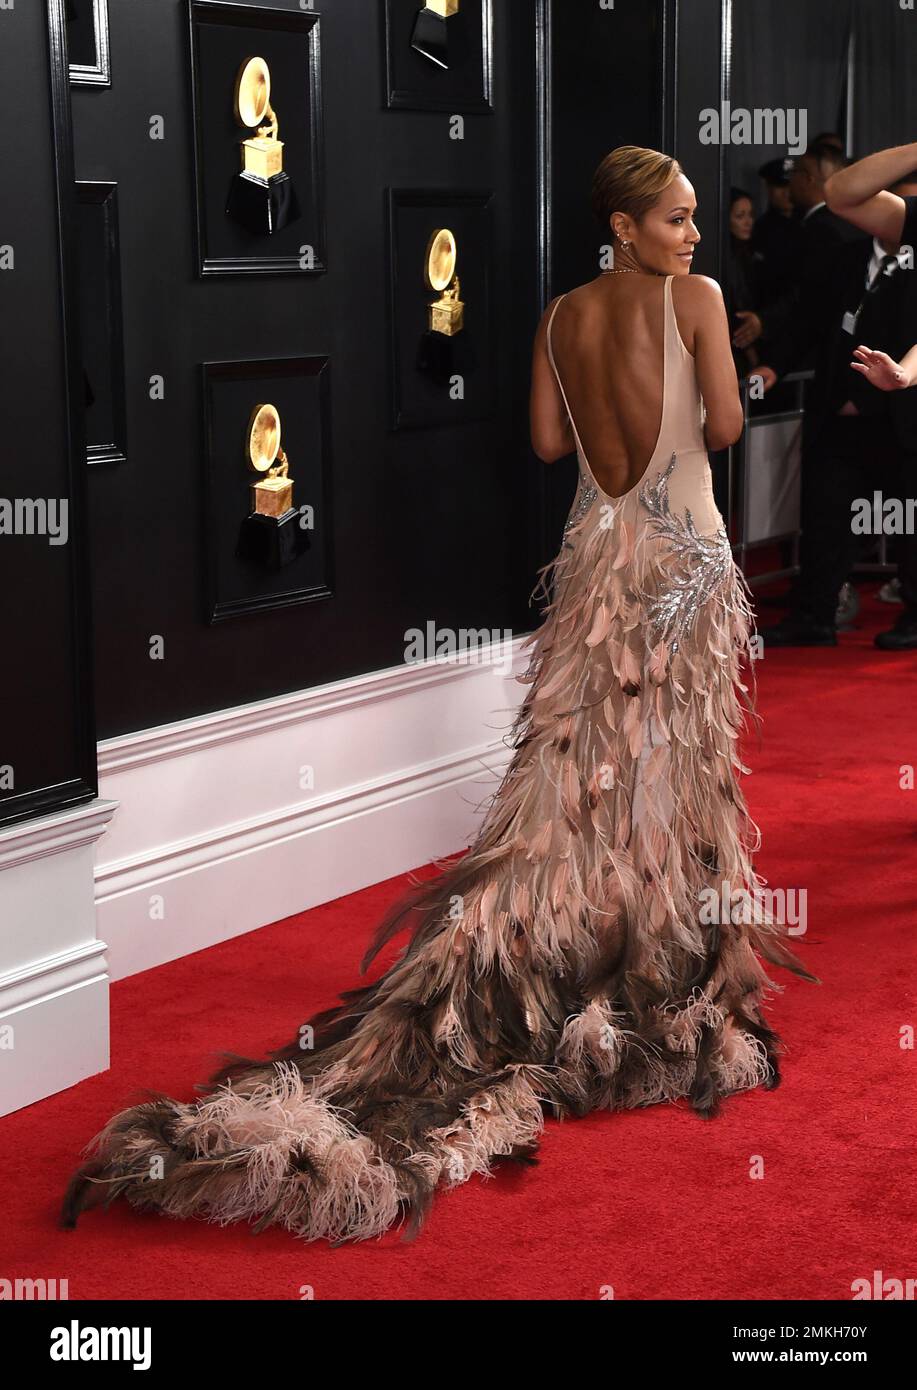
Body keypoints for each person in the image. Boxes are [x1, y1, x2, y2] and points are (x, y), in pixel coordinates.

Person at [61, 146, 815, 1246]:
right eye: (673, 220)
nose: (693, 237)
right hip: (680, 562)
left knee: (570, 773)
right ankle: (655, 961)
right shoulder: (692, 302)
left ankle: (558, 952)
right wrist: (723, 376)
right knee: (672, 770)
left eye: (694, 221)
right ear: (622, 225)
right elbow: (723, 433)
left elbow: (548, 442)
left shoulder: (561, 314)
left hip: (596, 560)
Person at [759, 149, 917, 649]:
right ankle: (816, 613)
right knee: (826, 514)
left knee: (910, 518)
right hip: (842, 413)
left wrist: (905, 377)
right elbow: (841, 193)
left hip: (903, 418)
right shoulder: (847, 255)